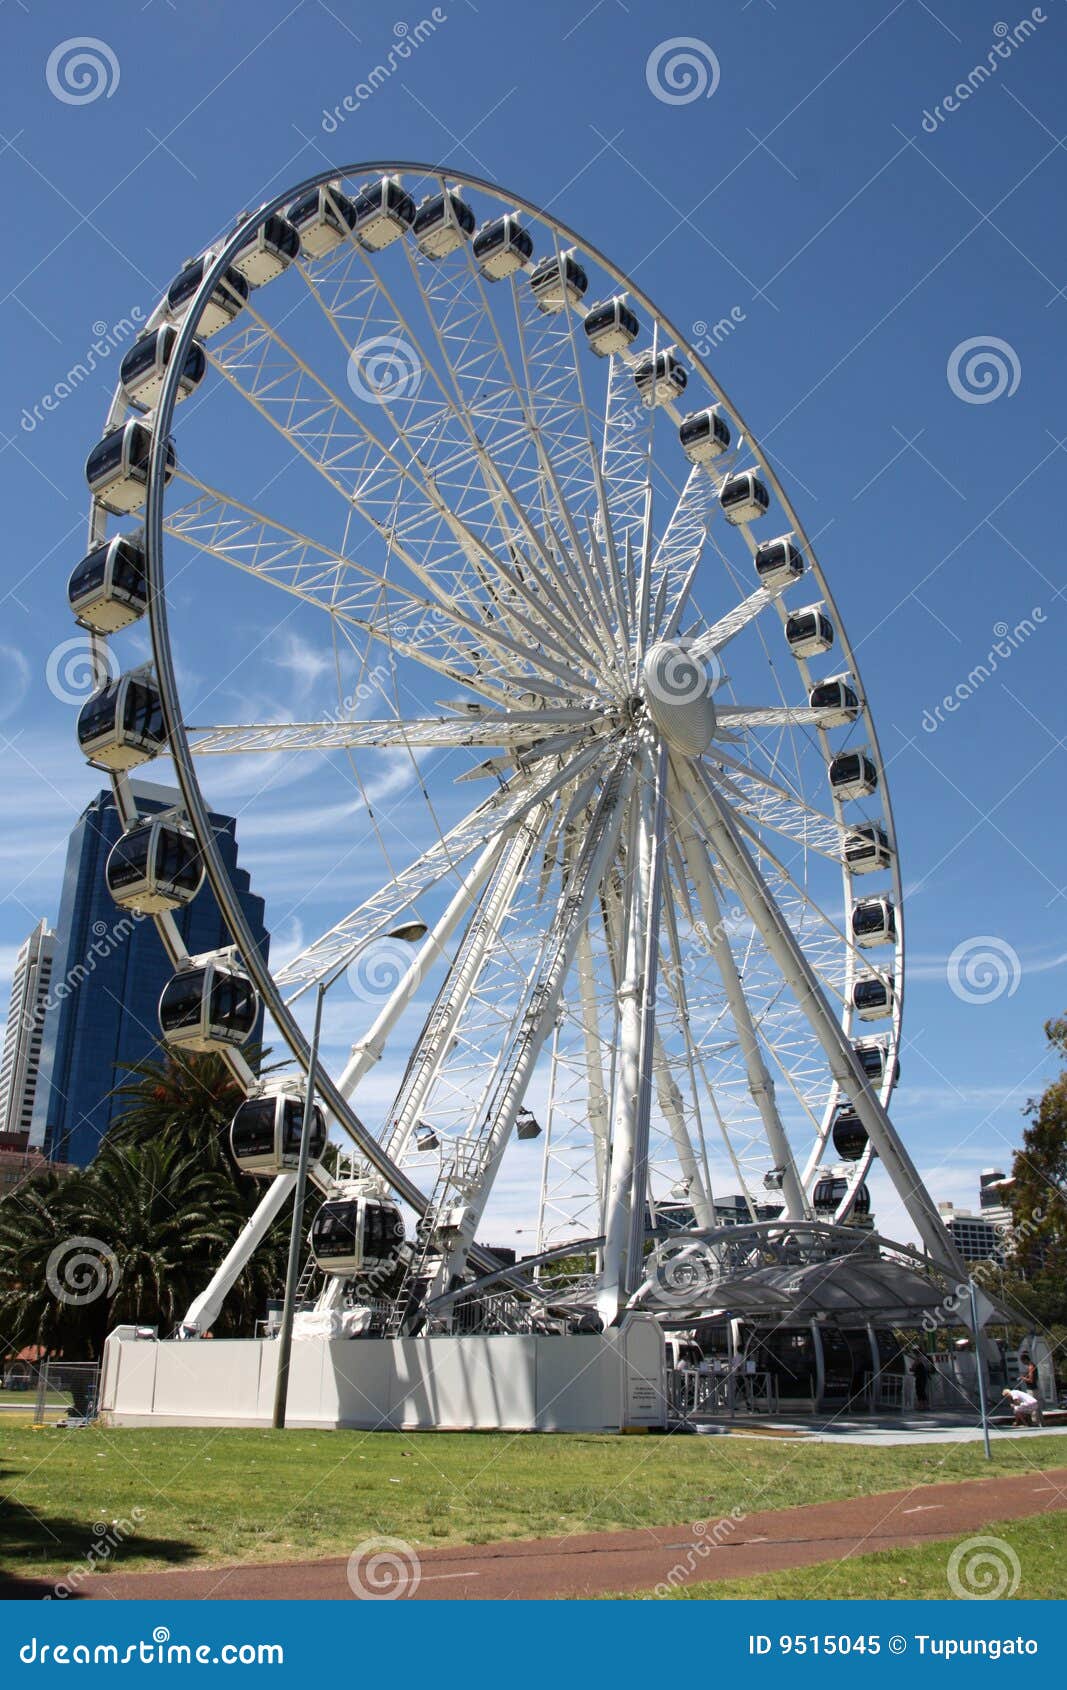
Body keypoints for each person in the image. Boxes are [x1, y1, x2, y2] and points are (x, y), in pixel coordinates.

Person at [1018, 1352, 1044, 1427]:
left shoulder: (1031, 1367)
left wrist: (1022, 1378)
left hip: (1032, 1389)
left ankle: (1035, 1422)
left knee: (1033, 1406)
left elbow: (1031, 1380)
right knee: (1037, 1406)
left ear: (1025, 1360)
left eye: (1023, 1361)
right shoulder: (1033, 1366)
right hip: (1035, 1388)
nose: (1023, 1363)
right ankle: (1041, 1422)